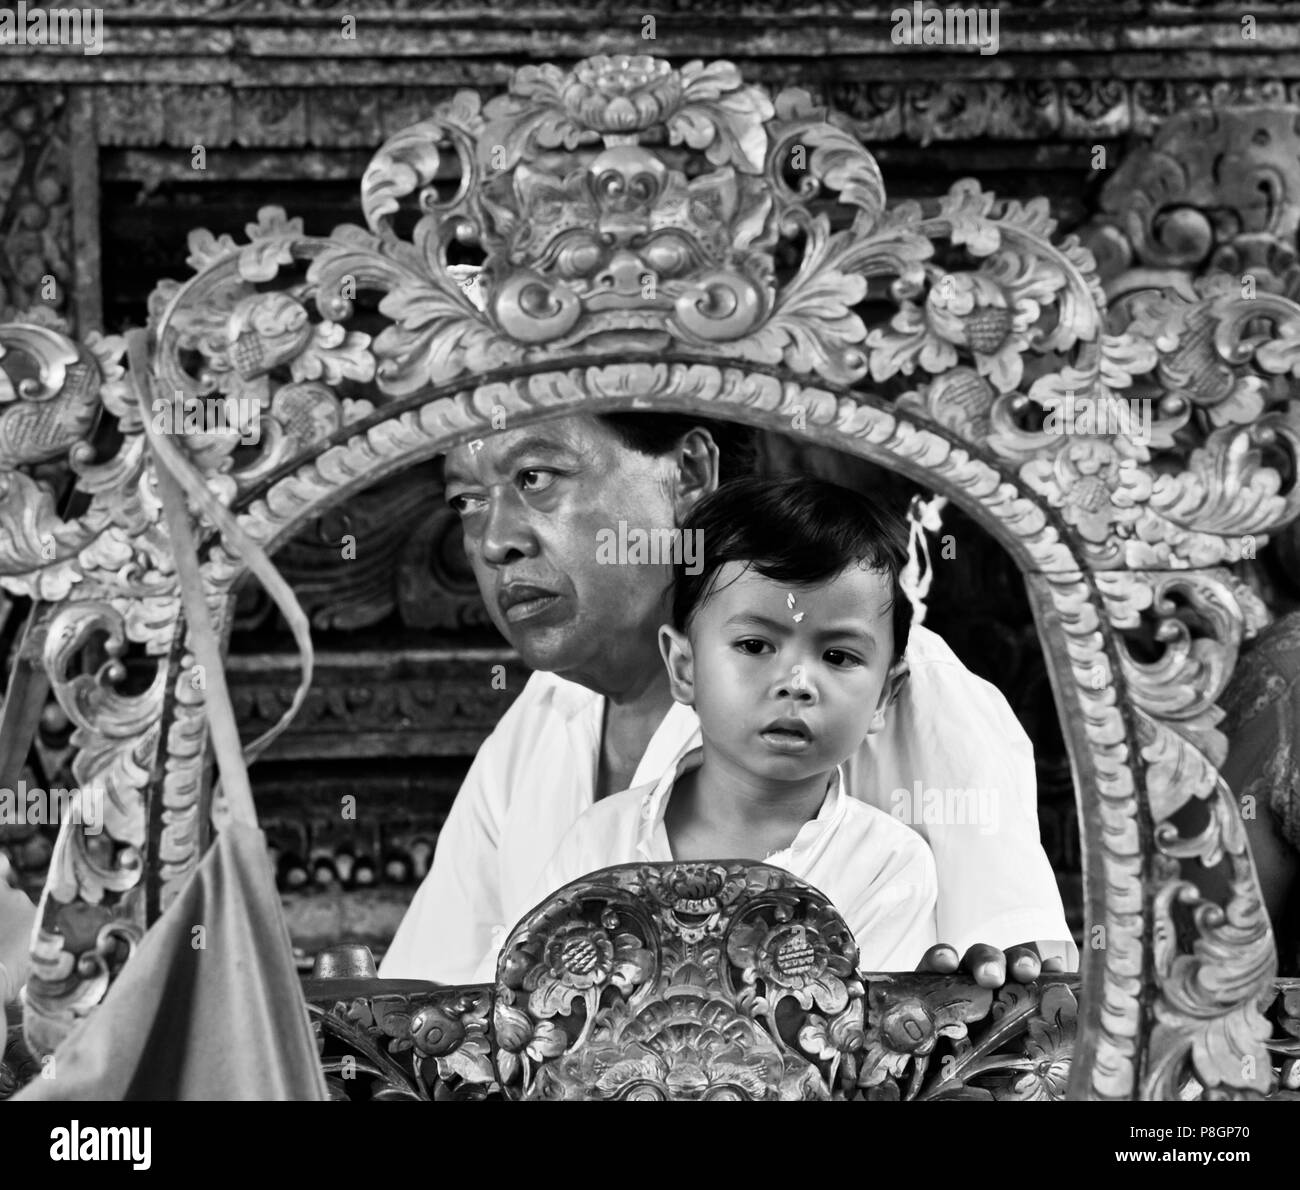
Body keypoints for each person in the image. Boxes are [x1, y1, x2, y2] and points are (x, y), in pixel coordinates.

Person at [380, 413, 1077, 985]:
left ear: (688, 473)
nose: (495, 539)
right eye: (467, 501)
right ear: (680, 665)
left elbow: (1017, 1002)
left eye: (536, 477)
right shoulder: (536, 722)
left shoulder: (914, 691)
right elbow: (429, 1000)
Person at [483, 476, 938, 981]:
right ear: (683, 667)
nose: (796, 683)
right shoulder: (600, 840)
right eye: (754, 646)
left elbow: (869, 1045)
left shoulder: (887, 867)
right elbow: (523, 994)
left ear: (883, 697)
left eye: (838, 656)